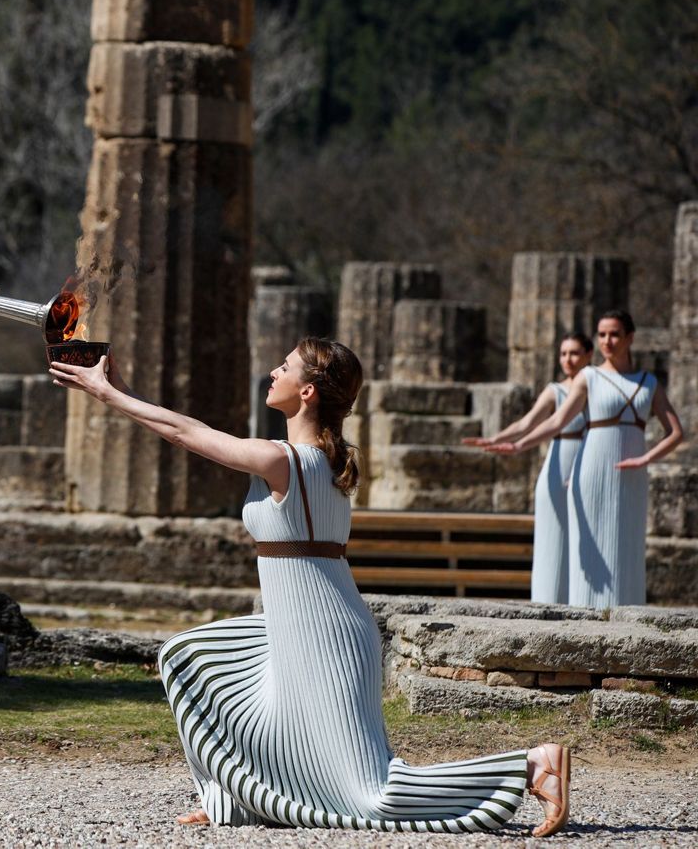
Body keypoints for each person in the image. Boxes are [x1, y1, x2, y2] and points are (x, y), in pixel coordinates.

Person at [50, 339, 571, 836]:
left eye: (286, 366)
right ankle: (236, 797)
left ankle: (529, 767)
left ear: (308, 392)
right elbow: (183, 427)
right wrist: (120, 389)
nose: (274, 371)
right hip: (298, 627)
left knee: (371, 794)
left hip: (323, 637)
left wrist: (108, 395)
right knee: (189, 656)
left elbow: (185, 433)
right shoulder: (311, 458)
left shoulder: (289, 462)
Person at [489, 311, 683, 609]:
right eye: (602, 334)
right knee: (591, 561)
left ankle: (627, 625)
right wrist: (519, 446)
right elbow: (556, 422)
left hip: (631, 475)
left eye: (615, 334)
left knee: (626, 549)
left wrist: (644, 459)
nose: (608, 340)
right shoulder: (588, 377)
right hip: (591, 471)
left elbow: (675, 433)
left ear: (630, 338)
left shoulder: (648, 382)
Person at [463, 333, 592, 603]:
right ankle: (548, 600)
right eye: (564, 353)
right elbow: (527, 423)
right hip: (558, 463)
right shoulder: (555, 390)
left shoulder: (596, 387)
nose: (568, 359)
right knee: (552, 537)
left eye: (575, 353)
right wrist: (496, 439)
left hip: (588, 462)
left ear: (589, 355)